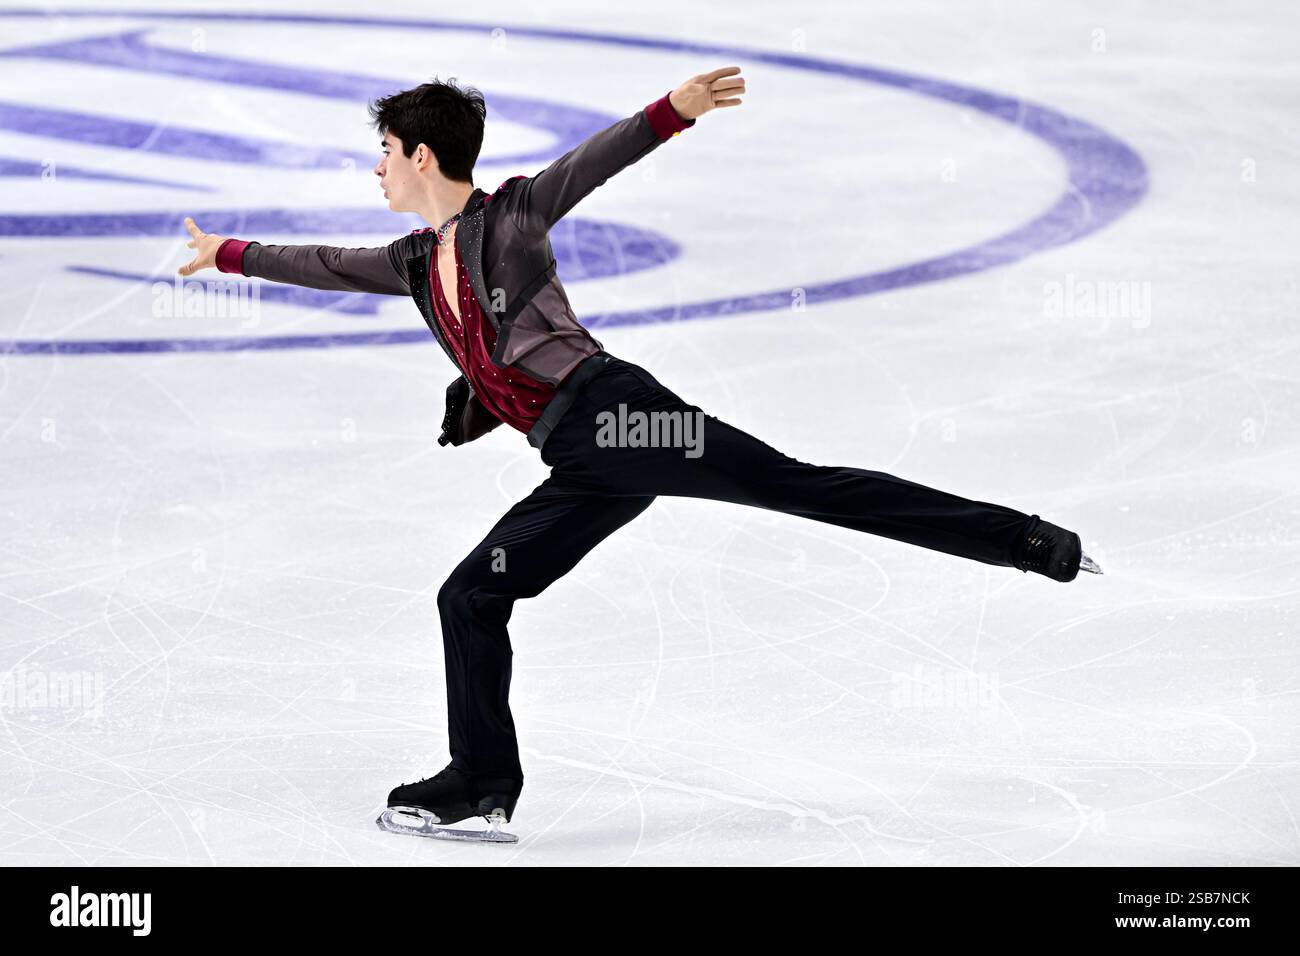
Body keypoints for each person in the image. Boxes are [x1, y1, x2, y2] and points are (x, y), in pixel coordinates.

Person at [177, 66, 1102, 838]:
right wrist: (227, 253)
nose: (375, 169)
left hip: (623, 423)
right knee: (471, 592)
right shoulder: (419, 263)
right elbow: (323, 264)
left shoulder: (514, 217)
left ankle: (1024, 540)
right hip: (579, 463)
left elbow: (593, 162)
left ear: (421, 155)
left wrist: (674, 112)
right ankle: (480, 784)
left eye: (384, 151)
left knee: (800, 487)